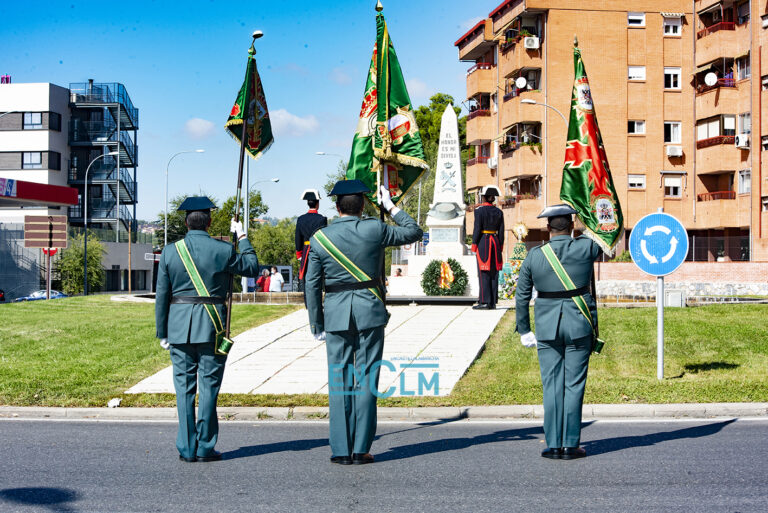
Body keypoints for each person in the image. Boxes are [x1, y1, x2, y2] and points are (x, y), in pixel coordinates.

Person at [305, 180, 422, 465]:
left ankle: (341, 450)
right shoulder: (374, 228)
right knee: (367, 377)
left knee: (339, 380)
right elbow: (414, 232)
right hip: (369, 311)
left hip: (335, 313)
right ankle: (361, 449)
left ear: (336, 207)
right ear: (364, 205)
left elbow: (311, 284)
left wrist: (316, 323)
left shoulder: (320, 238)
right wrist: (391, 206)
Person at [155, 196, 259, 463]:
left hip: (178, 326)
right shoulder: (223, 250)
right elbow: (251, 267)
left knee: (184, 389)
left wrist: (162, 332)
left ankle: (187, 447)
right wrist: (243, 236)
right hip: (212, 325)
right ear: (210, 222)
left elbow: (162, 296)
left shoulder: (169, 251)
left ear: (186, 223)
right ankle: (205, 446)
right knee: (209, 386)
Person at [515, 204, 601, 460]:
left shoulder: (535, 255)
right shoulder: (586, 247)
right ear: (573, 225)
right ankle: (570, 445)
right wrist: (586, 214)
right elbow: (605, 232)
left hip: (547, 326)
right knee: (574, 385)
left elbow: (521, 296)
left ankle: (553, 444)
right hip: (578, 324)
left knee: (552, 386)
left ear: (547, 228)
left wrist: (524, 329)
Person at [471, 185, 504, 310]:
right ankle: (493, 302)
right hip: (495, 242)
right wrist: (500, 247)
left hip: (484, 242)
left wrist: (474, 245)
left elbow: (477, 229)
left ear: (484, 197)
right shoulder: (499, 212)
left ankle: (484, 301)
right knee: (494, 272)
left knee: (483, 272)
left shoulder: (479, 211)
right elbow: (501, 232)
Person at [295, 189, 328, 302]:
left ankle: (307, 302)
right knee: (318, 276)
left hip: (305, 250)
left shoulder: (300, 219)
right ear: (317, 204)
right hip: (318, 249)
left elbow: (297, 238)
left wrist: (299, 254)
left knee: (305, 277)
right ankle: (317, 301)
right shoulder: (322, 219)